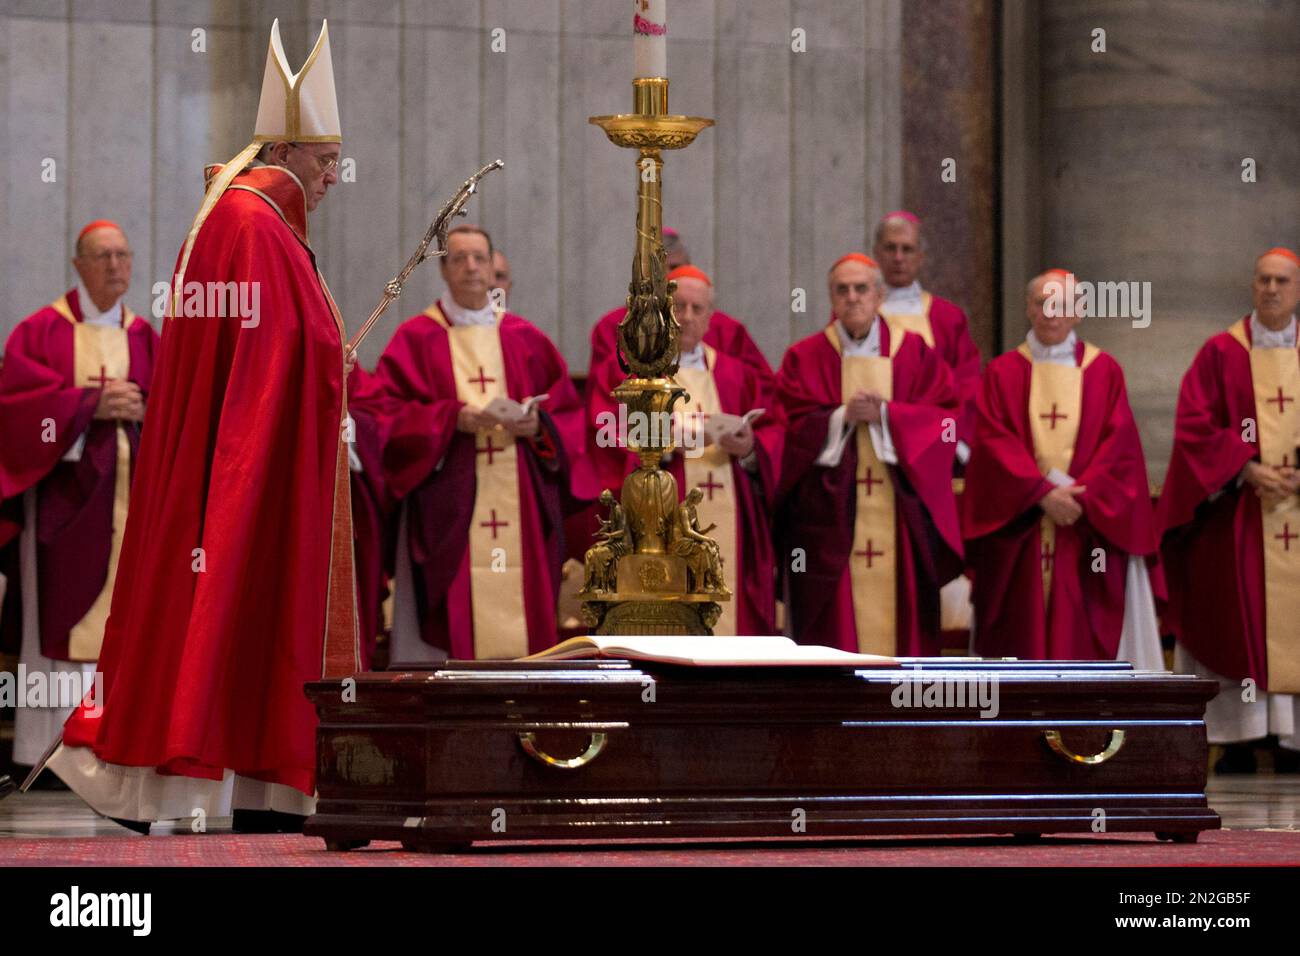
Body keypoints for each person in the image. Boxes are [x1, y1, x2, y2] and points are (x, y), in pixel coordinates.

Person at [43, 19, 356, 832]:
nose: (332, 177)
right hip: (248, 466)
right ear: (285, 151)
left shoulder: (246, 217)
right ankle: (200, 788)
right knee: (226, 607)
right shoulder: (252, 224)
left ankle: (235, 787)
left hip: (247, 458)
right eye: (324, 162)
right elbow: (263, 366)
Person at [378, 225, 587, 662]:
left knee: (526, 606)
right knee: (460, 618)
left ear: (494, 267)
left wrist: (539, 427)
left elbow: (568, 414)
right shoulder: (416, 339)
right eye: (459, 259)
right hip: (452, 505)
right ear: (443, 269)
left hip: (521, 505)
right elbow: (387, 418)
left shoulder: (524, 338)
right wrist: (453, 418)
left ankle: (528, 723)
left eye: (479, 258)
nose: (471, 267)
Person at [0, 221, 159, 773]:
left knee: (129, 617)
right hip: (64, 510)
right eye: (102, 256)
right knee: (62, 621)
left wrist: (143, 410)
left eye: (123, 254)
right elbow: (16, 413)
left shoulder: (145, 337)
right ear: (78, 265)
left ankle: (116, 748)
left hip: (133, 504)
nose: (116, 265)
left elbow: (175, 411)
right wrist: (88, 406)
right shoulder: (40, 332)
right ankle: (48, 757)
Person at [962, 270, 1162, 667]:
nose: (1050, 313)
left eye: (1062, 304)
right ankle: (1012, 728)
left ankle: (1088, 725)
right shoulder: (1002, 372)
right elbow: (991, 446)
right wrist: (1041, 494)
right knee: (1021, 640)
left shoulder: (1105, 371)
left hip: (1085, 527)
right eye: (1041, 303)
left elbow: (1120, 450)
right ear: (1028, 310)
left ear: (1079, 311)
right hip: (1022, 531)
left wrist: (1077, 496)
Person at [775, 253, 963, 655]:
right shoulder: (805, 356)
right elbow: (786, 430)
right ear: (831, 298)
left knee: (904, 610)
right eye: (842, 290)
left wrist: (888, 416)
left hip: (900, 512)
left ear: (879, 296)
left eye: (862, 289)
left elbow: (946, 421)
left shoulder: (915, 353)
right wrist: (842, 417)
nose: (852, 298)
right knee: (834, 629)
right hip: (829, 517)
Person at [1157, 247, 1300, 772]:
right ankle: (1239, 739)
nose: (1271, 289)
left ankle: (1292, 741)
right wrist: (1243, 467)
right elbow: (1194, 429)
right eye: (1262, 279)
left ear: (1297, 289)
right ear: (1252, 285)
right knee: (1233, 620)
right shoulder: (1221, 352)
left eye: (1282, 281)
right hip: (1237, 516)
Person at [589, 265, 780, 633]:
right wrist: (667, 440)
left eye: (698, 309)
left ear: (711, 318)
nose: (687, 318)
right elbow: (605, 431)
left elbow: (773, 433)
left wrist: (750, 448)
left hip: (732, 517)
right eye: (678, 307)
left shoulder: (737, 374)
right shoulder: (631, 373)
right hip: (654, 521)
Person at [872, 210, 982, 465]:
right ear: (877, 253)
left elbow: (967, 384)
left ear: (921, 257)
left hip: (932, 443)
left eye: (907, 249)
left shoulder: (947, 317)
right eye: (890, 248)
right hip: (871, 438)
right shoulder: (855, 315)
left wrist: (951, 437)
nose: (898, 258)